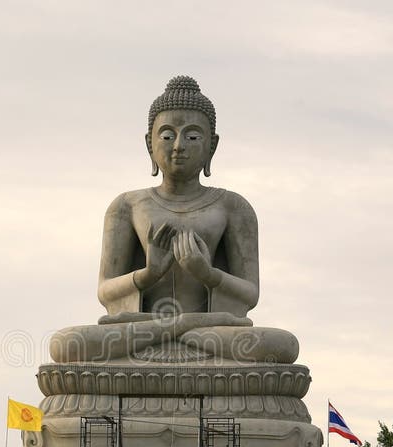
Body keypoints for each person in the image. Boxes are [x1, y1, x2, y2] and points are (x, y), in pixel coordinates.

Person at [49, 76, 298, 364]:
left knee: (282, 346)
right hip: (149, 330)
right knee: (65, 345)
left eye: (192, 137)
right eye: (167, 136)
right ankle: (181, 331)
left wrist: (207, 273)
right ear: (149, 144)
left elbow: (250, 294)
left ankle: (178, 331)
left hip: (210, 334)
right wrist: (148, 273)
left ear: (212, 147)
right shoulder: (126, 206)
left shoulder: (233, 207)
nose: (179, 146)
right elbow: (105, 290)